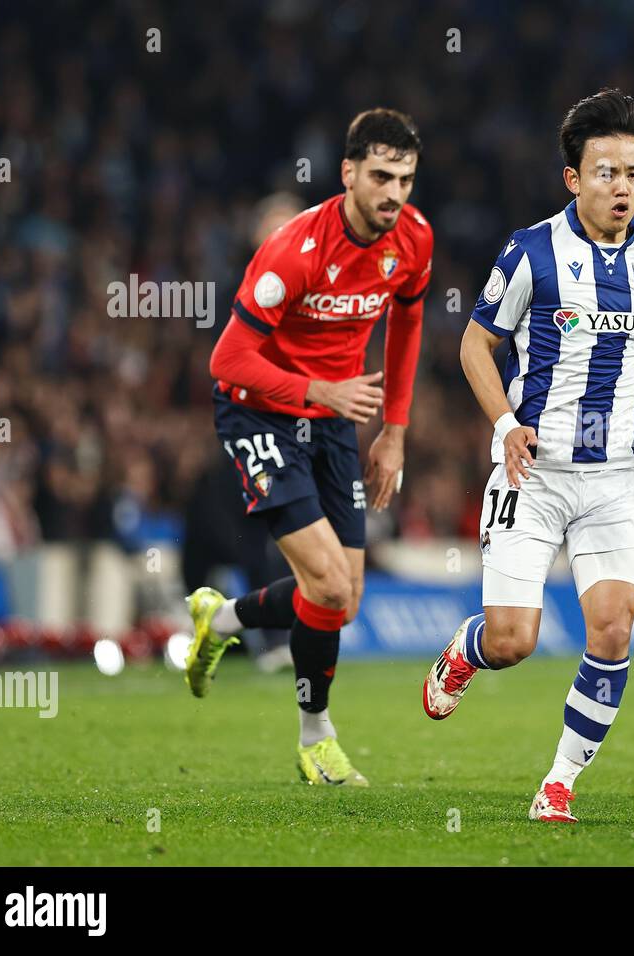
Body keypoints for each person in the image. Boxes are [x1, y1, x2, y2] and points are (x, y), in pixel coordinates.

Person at [421, 89, 634, 823]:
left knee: (614, 626)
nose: (621, 186)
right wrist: (504, 424)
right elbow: (475, 345)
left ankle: (558, 784)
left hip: (618, 479)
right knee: (513, 640)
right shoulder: (530, 251)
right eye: (605, 172)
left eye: (633, 172)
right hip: (532, 473)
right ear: (573, 178)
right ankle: (466, 652)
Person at [183, 109, 434, 786]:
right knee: (324, 584)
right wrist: (322, 392)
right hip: (259, 413)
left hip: (332, 414)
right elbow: (227, 360)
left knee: (343, 600)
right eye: (381, 176)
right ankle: (316, 738)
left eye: (406, 179)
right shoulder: (295, 249)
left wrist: (395, 431)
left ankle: (224, 617)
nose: (394, 193)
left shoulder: (412, 239)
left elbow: (408, 324)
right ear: (348, 173)